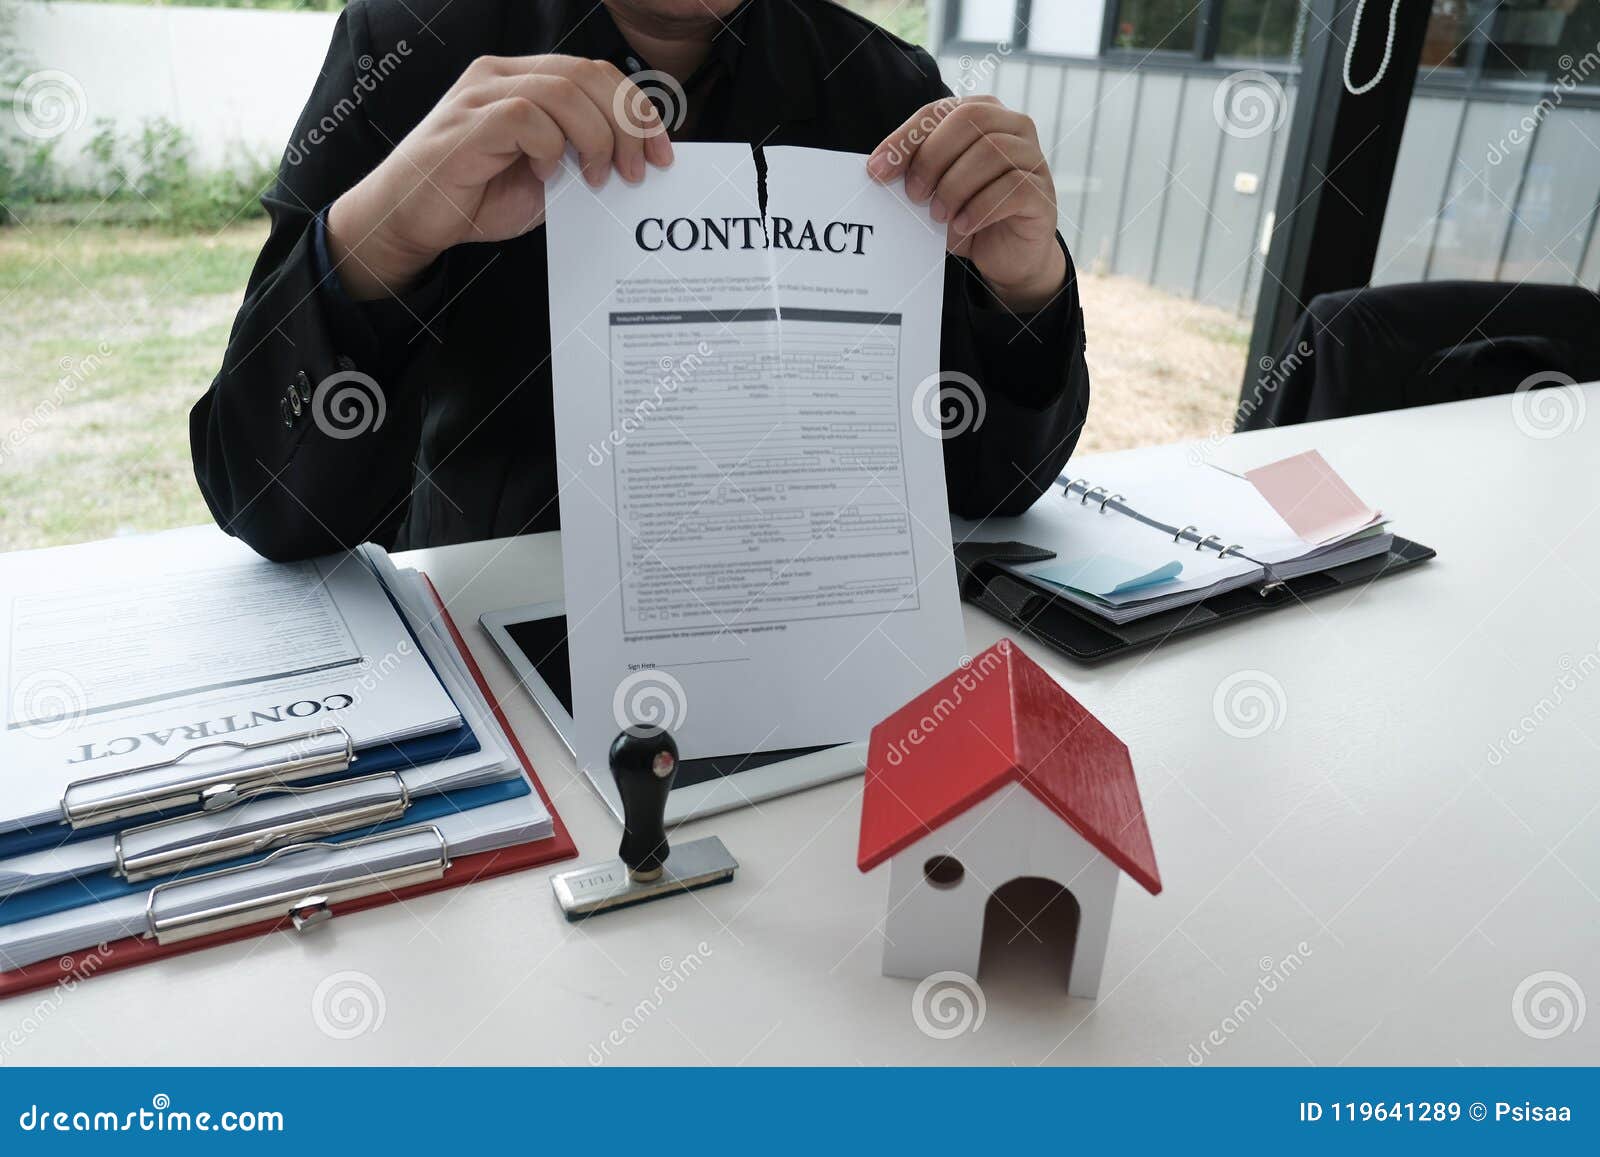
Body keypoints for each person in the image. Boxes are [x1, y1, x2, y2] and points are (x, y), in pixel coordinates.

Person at [190, 0, 1090, 560]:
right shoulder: (404, 48)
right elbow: (270, 507)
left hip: (799, 645)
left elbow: (988, 490)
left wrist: (1024, 290)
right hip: (483, 648)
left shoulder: (882, 92)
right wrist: (382, 237)